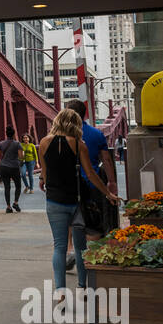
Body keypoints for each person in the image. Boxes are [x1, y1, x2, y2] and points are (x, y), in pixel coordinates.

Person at [38, 108, 120, 294]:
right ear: (75, 124)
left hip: (54, 202)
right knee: (81, 247)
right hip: (76, 203)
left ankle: (60, 292)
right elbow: (90, 175)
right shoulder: (78, 144)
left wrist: (43, 182)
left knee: (59, 247)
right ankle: (83, 287)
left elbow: (44, 173)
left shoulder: (43, 143)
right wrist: (108, 193)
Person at [65, 98, 118, 237]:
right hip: (92, 184)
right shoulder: (96, 134)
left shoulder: (61, 136)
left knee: (72, 224)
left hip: (68, 186)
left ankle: (75, 251)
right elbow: (106, 159)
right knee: (93, 220)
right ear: (84, 114)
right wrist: (111, 182)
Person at [0, 126, 24, 213]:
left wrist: (0, 163)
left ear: (6, 134)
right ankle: (15, 202)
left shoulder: (1, 143)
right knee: (18, 186)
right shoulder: (17, 144)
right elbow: (21, 156)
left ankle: (8, 207)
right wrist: (21, 162)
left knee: (7, 187)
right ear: (14, 134)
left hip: (4, 167)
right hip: (14, 167)